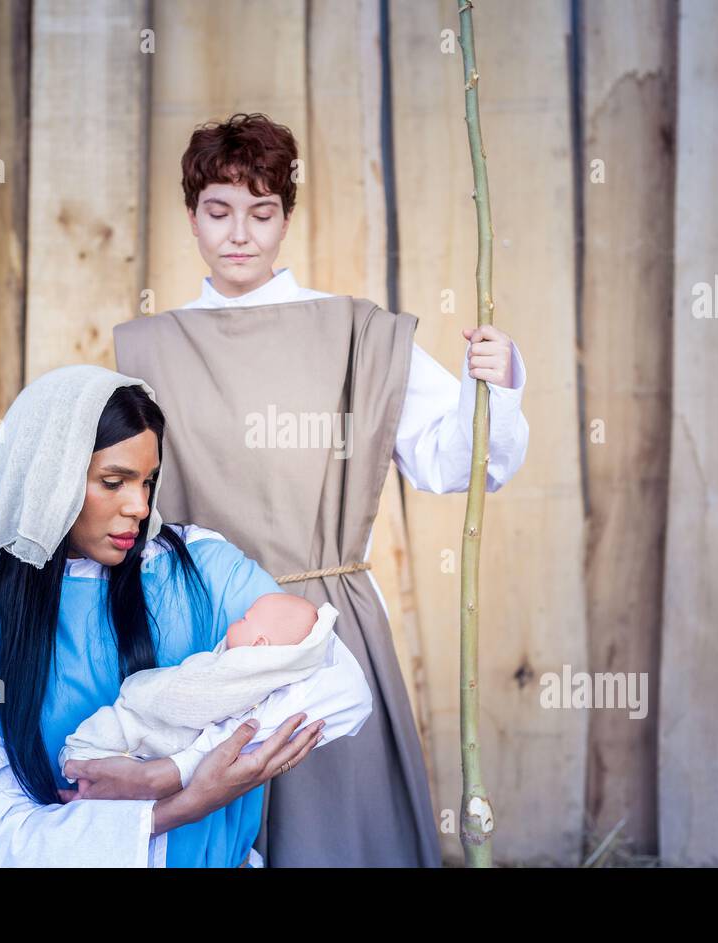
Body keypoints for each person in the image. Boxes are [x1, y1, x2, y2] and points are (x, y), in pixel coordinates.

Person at [114, 112, 530, 867]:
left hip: (327, 635)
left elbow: (459, 463)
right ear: (191, 216)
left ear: (286, 218)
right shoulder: (145, 350)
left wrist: (494, 389)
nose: (240, 233)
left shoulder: (355, 336)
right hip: (198, 638)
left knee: (334, 841)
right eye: (219, 211)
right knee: (207, 824)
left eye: (261, 212)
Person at [0, 365, 326, 867]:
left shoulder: (200, 563)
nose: (139, 506)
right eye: (113, 482)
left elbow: (340, 691)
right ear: (49, 479)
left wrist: (175, 770)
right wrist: (182, 804)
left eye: (148, 481)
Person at [58, 596, 372, 788]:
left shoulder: (245, 675)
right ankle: (89, 760)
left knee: (121, 728)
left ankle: (84, 756)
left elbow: (191, 696)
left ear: (259, 646)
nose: (235, 619)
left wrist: (145, 690)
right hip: (154, 745)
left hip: (160, 731)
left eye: (245, 618)